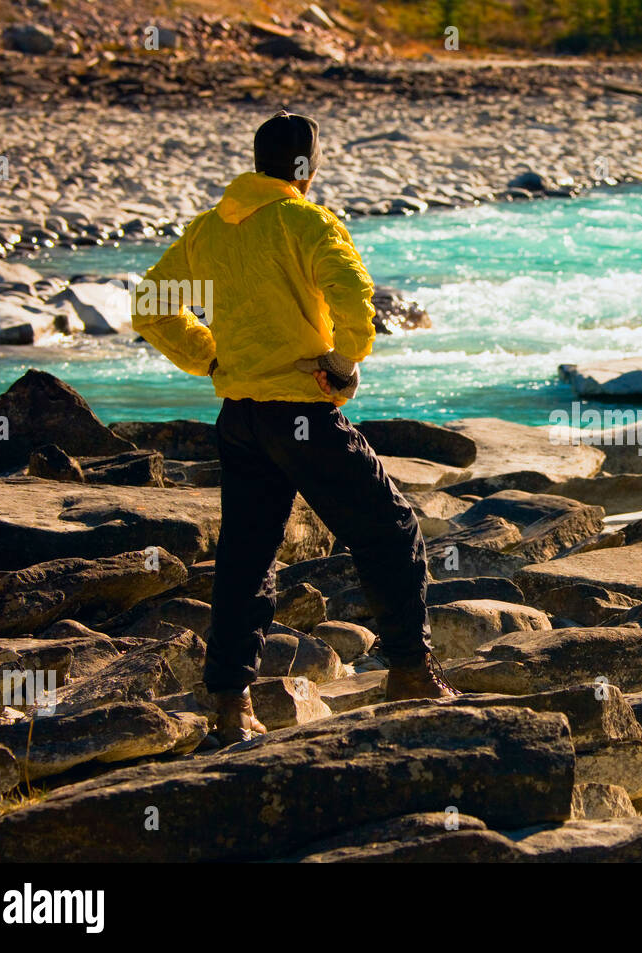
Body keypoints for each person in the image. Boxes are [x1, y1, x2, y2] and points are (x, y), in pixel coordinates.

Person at [132, 109, 458, 744]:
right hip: (300, 415)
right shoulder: (304, 219)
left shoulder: (208, 229)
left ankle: (230, 705)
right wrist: (344, 359)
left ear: (258, 161)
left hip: (239, 419)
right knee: (389, 529)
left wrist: (209, 356)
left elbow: (149, 304)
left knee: (247, 557)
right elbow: (353, 293)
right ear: (308, 166)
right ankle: (411, 671)